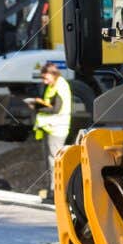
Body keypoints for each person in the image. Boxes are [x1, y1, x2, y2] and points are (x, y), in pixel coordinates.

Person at [27, 63, 72, 203]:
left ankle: (55, 194)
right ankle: (51, 193)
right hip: (51, 128)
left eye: (45, 77)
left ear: (52, 74)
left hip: (57, 129)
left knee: (54, 163)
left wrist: (37, 107)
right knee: (50, 162)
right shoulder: (53, 85)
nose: (43, 80)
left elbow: (56, 109)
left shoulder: (60, 86)